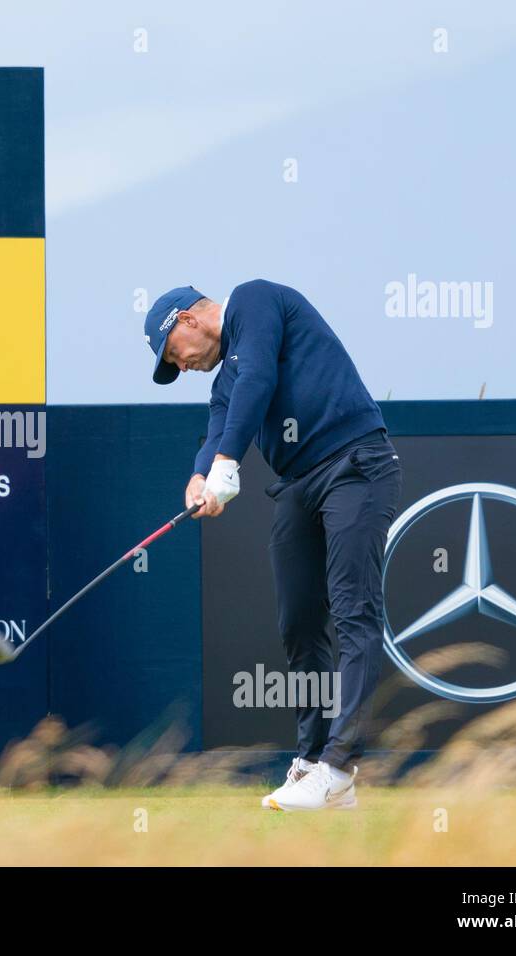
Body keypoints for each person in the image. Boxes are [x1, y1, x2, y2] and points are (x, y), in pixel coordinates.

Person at [144, 280, 402, 812]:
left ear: (188, 320)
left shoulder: (255, 300)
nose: (183, 365)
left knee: (354, 611)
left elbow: (259, 377)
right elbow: (221, 423)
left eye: (176, 354)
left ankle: (338, 766)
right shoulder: (225, 381)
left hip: (356, 465)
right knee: (299, 623)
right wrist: (199, 477)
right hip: (298, 485)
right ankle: (311, 763)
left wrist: (225, 465)